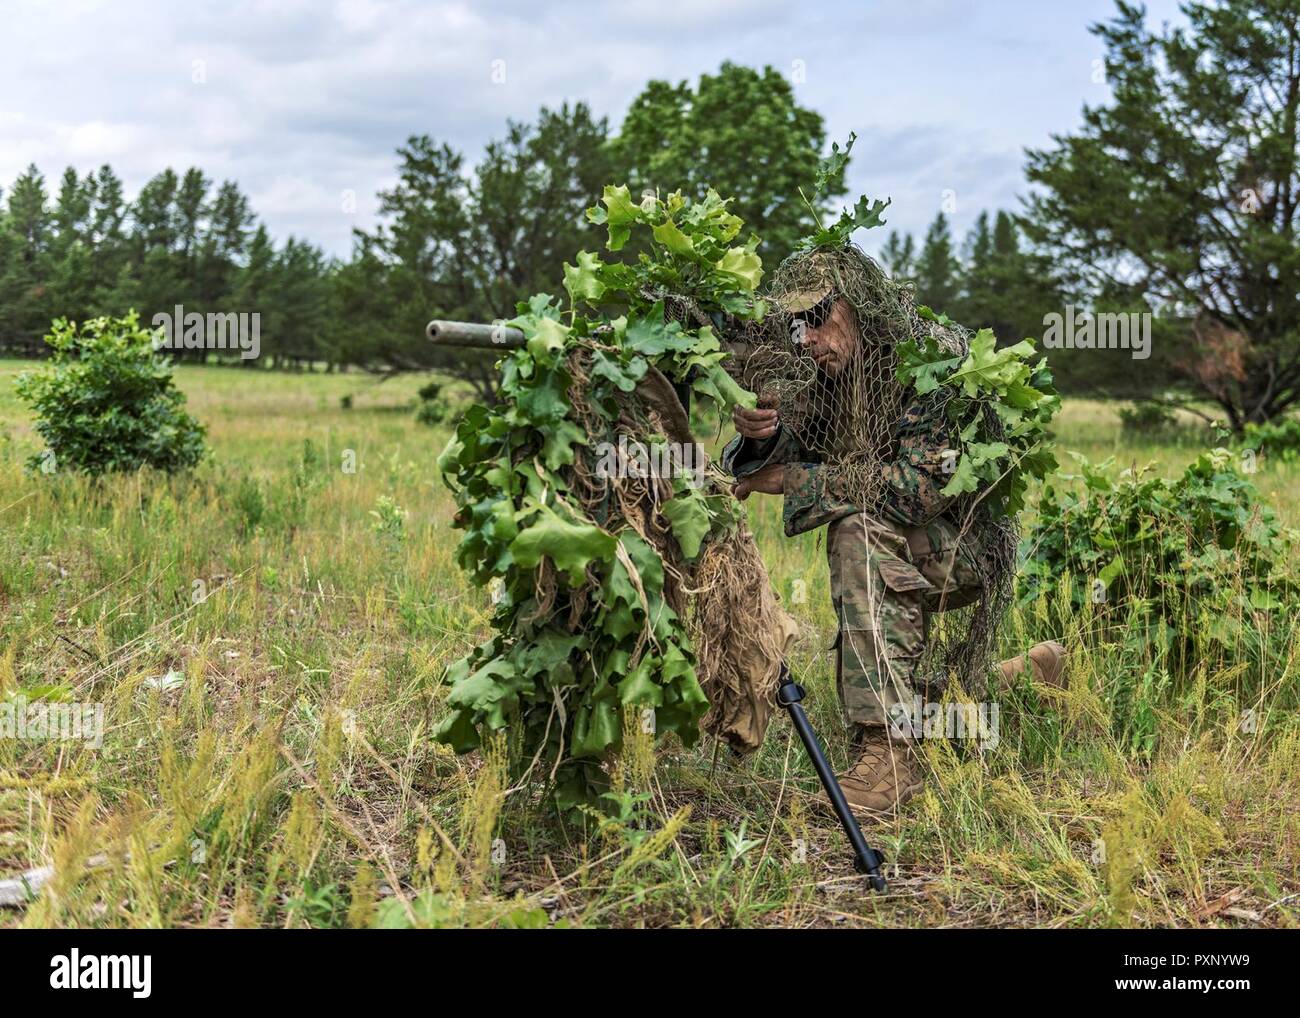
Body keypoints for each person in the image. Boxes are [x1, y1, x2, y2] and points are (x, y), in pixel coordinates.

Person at [723, 258, 1066, 814]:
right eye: (796, 324)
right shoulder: (824, 366)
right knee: (862, 530)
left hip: (965, 544)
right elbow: (781, 448)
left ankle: (890, 756)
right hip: (909, 538)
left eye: (817, 316)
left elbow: (920, 489)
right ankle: (1018, 678)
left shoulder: (929, 359)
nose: (806, 337)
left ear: (856, 304)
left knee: (856, 529)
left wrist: (790, 479)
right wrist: (762, 436)